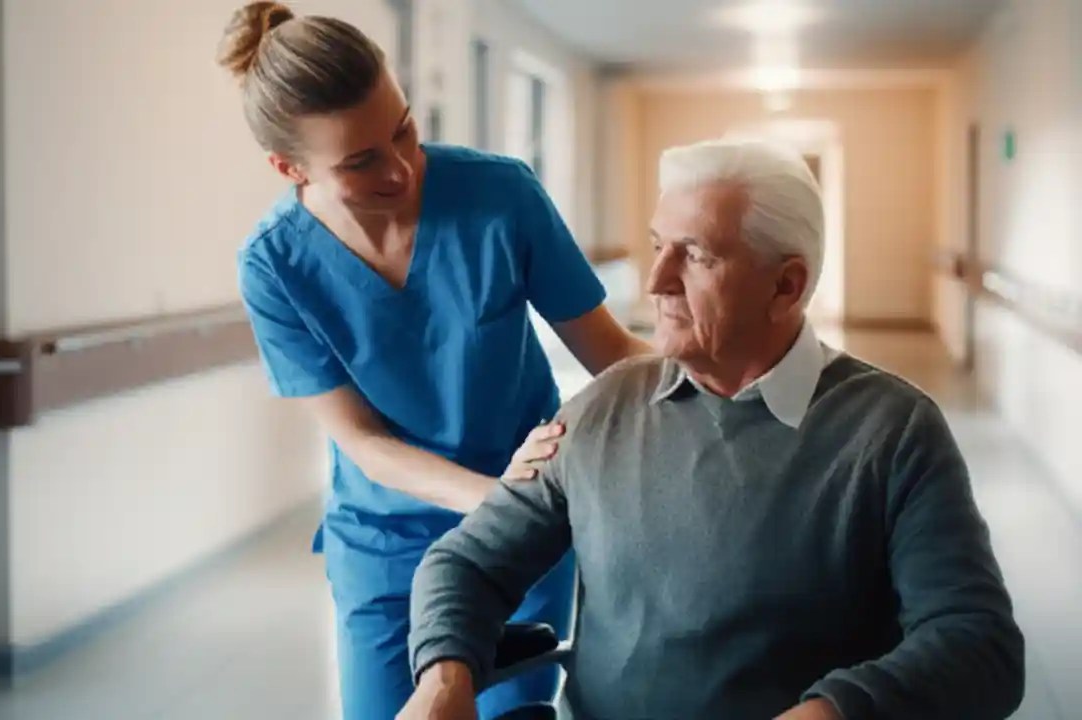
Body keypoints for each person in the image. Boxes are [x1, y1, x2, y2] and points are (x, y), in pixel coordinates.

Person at [403, 138, 1026, 720]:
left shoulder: (891, 432)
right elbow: (467, 563)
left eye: (696, 256)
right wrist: (443, 677)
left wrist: (833, 711)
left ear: (786, 286)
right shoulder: (602, 409)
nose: (656, 282)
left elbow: (978, 643)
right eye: (657, 247)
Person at [218, 3, 651, 718]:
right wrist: (504, 498)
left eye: (403, 128)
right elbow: (364, 443)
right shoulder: (275, 265)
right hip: (389, 542)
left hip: (520, 536)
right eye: (360, 161)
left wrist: (736, 383)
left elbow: (612, 353)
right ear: (289, 168)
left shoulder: (501, 195)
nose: (400, 168)